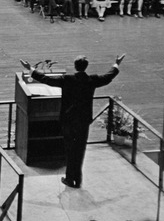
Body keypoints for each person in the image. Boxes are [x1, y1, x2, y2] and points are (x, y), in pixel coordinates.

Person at [20, 54, 125, 189]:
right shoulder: (91, 80)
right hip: (83, 120)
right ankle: (77, 178)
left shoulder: (68, 79)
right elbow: (108, 77)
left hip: (68, 120)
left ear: (75, 66)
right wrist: (116, 64)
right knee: (80, 149)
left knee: (70, 149)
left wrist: (31, 69)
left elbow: (46, 80)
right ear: (86, 67)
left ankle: (70, 178)